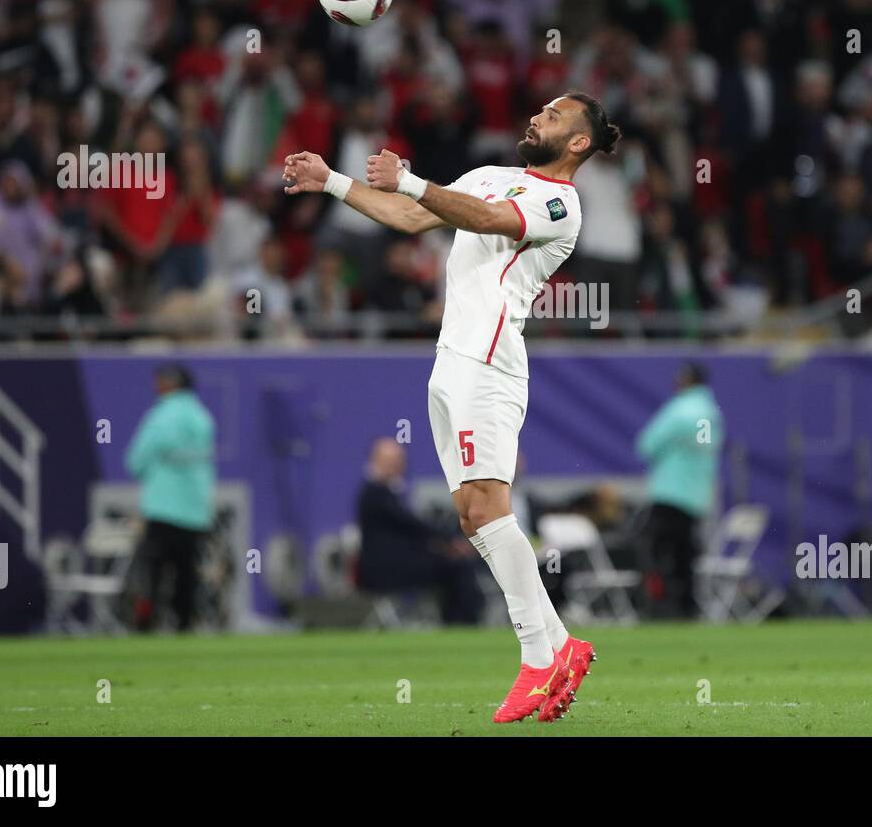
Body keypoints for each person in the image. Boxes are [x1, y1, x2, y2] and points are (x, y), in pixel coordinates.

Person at [282, 92, 617, 722]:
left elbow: (489, 221)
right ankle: (561, 648)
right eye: (539, 110)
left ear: (578, 143)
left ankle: (538, 658)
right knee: (472, 514)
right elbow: (410, 218)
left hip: (489, 362)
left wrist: (412, 177)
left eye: (552, 117)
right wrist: (331, 180)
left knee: (488, 507)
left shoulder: (560, 204)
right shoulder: (490, 175)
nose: (535, 118)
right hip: (452, 360)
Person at [124, 364, 216, 631]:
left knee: (151, 571)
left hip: (163, 508)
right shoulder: (203, 418)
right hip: (196, 511)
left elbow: (136, 461)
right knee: (187, 574)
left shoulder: (161, 416)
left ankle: (145, 625)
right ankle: (185, 625)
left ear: (170, 384)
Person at [355, 437, 484, 625]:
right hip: (385, 571)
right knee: (457, 568)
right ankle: (461, 623)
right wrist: (448, 541)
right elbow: (412, 525)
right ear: (376, 461)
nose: (397, 466)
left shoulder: (384, 491)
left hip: (392, 565)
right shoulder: (375, 493)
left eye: (399, 461)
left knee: (453, 566)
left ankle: (457, 621)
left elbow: (408, 529)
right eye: (390, 461)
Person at [634, 362, 725, 618]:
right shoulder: (711, 412)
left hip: (670, 495)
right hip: (697, 497)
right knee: (686, 556)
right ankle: (687, 608)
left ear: (686, 379)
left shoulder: (681, 409)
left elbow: (647, 444)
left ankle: (659, 608)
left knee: (656, 553)